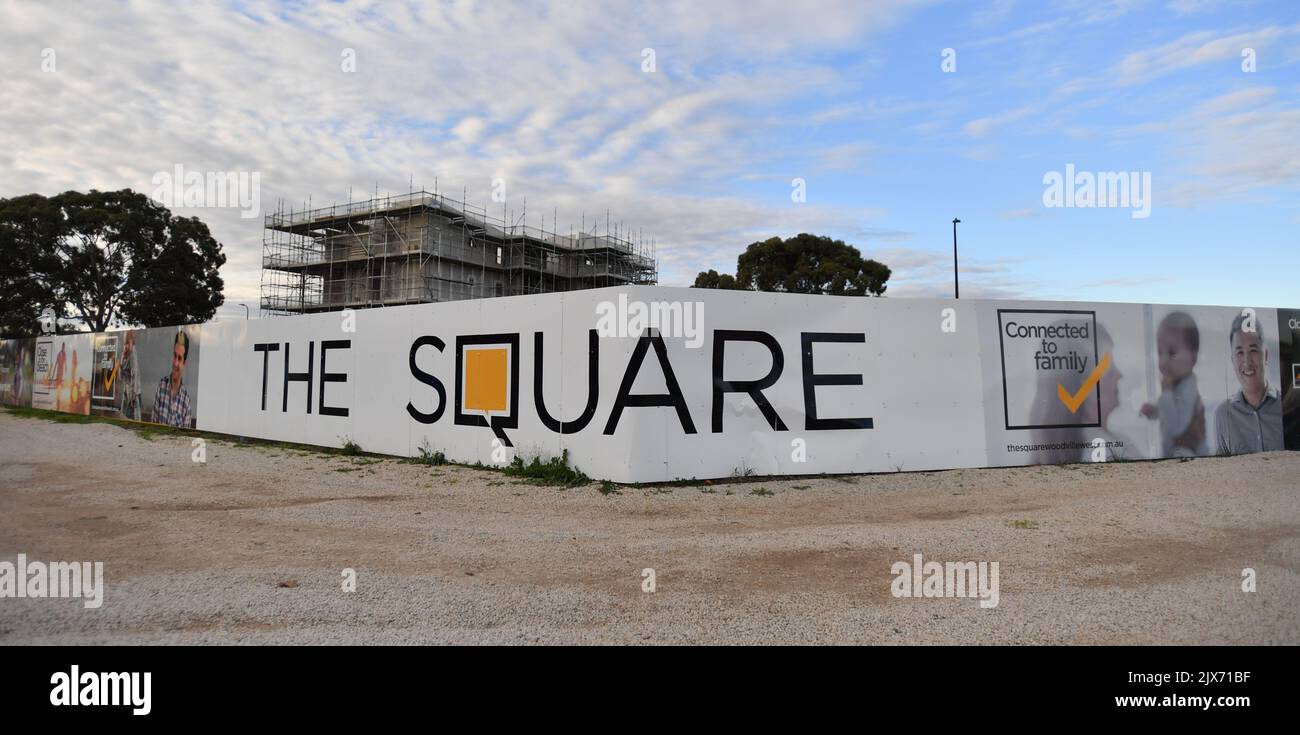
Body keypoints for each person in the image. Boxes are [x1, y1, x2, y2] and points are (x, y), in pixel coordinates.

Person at [1140, 311, 1208, 457]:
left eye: (1172, 352)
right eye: (1160, 352)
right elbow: (1168, 411)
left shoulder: (1188, 388)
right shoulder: (1177, 384)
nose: (1163, 361)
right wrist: (1153, 411)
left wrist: (1167, 391)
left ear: (1193, 356)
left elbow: (1177, 426)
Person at [1214, 313, 1283, 455]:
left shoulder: (1287, 406)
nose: (1246, 361)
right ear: (1232, 360)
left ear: (1266, 355)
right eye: (1239, 352)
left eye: (1253, 350)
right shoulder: (1223, 414)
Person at [152, 330, 192, 428]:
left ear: (184, 363)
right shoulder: (161, 386)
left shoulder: (186, 402)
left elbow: (183, 439)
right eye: (175, 356)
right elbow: (152, 425)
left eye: (179, 358)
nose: (175, 363)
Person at [120, 331, 142, 420]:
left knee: (134, 416)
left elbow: (135, 374)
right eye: (124, 344)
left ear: (132, 343)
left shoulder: (133, 355)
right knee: (124, 414)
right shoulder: (126, 355)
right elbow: (120, 375)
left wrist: (133, 394)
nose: (125, 347)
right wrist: (122, 358)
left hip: (133, 393)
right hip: (126, 390)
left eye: (127, 343)